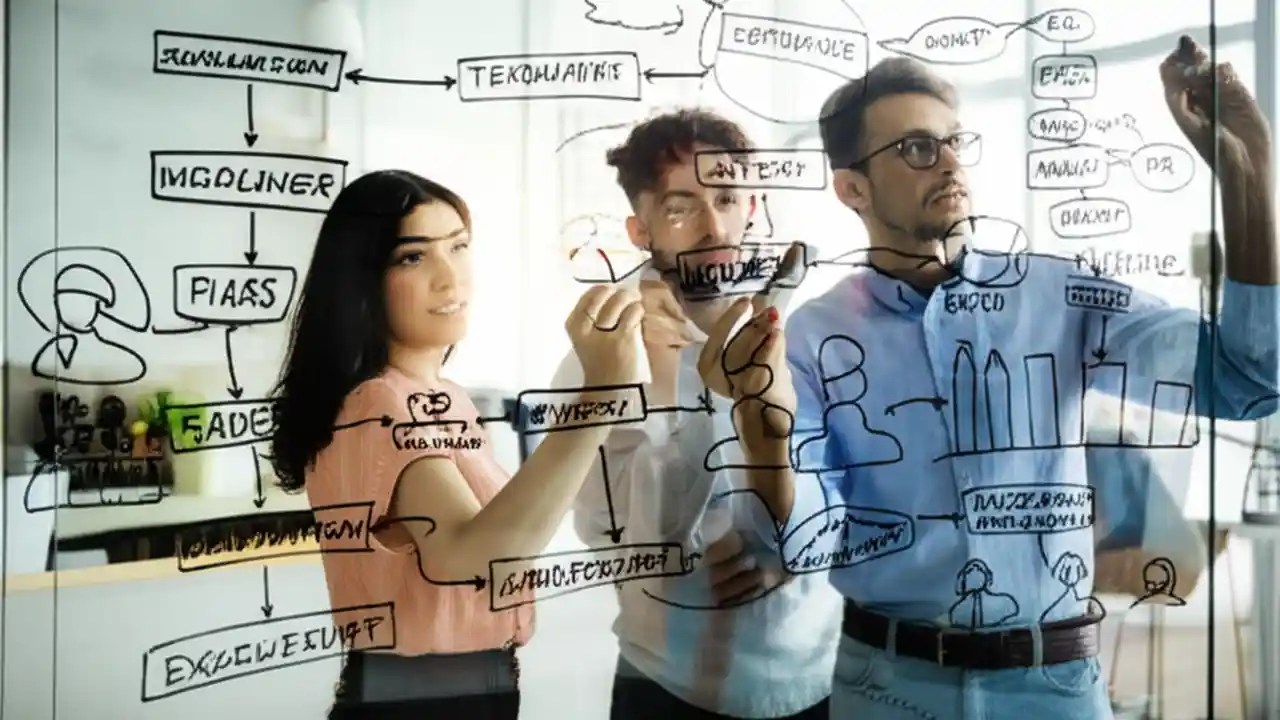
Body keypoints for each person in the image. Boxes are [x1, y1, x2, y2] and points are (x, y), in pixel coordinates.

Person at [692, 39, 1277, 718]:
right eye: (915, 148)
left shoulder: (1062, 296)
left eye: (953, 142)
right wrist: (766, 431)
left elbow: (1246, 381)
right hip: (885, 690)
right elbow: (805, 542)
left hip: (1055, 691)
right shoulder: (810, 339)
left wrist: (1248, 176)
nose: (948, 163)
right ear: (852, 188)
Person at [268, 169, 644, 719]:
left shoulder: (447, 398)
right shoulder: (377, 404)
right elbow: (477, 557)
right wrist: (600, 395)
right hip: (419, 698)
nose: (451, 279)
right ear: (362, 280)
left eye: (459, 247)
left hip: (469, 689)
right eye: (413, 257)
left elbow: (512, 531)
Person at [549, 109, 841, 719]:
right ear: (641, 229)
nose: (713, 226)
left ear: (752, 207)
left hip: (817, 684)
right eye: (682, 206)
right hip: (669, 690)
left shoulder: (809, 338)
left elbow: (853, 493)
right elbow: (608, 533)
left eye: (728, 198)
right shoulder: (598, 358)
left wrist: (791, 545)